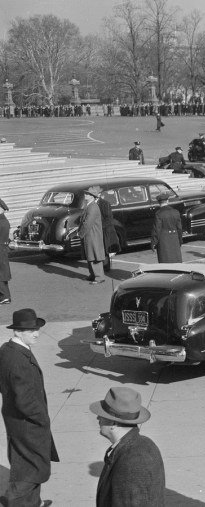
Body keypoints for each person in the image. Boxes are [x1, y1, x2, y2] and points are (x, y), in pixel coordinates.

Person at [0, 308, 58, 507]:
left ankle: (34, 503)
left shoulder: (7, 350)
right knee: (31, 470)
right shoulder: (19, 360)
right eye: (31, 330)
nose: (36, 334)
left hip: (16, 421)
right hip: (28, 425)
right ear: (17, 331)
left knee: (27, 464)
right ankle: (13, 501)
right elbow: (25, 401)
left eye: (37, 329)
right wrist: (42, 419)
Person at [91, 387, 165, 507]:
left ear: (113, 423)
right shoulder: (146, 444)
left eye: (102, 415)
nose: (98, 418)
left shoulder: (131, 463)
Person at [79, 186, 107, 284]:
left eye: (87, 194)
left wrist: (80, 234)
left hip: (93, 234)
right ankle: (93, 275)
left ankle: (99, 277)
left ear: (92, 196)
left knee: (95, 255)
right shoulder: (90, 205)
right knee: (90, 254)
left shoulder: (93, 207)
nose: (85, 195)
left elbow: (87, 223)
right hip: (90, 234)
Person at [150, 193, 183, 263]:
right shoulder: (175, 212)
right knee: (176, 261)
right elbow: (179, 228)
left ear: (159, 203)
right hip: (174, 238)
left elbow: (157, 229)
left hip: (164, 240)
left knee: (165, 261)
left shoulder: (159, 214)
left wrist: (153, 243)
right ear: (168, 201)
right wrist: (180, 240)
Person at [1, 197, 11, 304]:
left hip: (0, 249)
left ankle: (5, 296)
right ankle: (4, 296)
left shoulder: (2, 222)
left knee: (1, 274)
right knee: (2, 274)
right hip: (2, 249)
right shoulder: (4, 221)